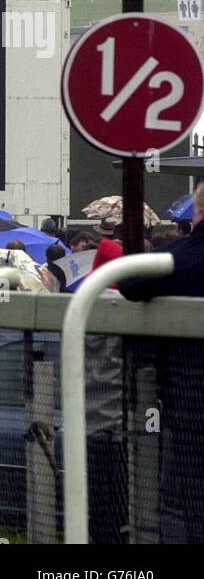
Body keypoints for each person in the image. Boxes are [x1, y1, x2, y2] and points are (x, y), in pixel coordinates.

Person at [120, 184, 204, 542]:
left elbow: (131, 284)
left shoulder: (182, 257)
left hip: (191, 397)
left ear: (197, 211)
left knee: (187, 498)